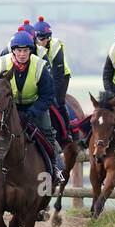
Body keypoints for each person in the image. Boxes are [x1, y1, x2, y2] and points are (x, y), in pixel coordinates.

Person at [0, 26, 65, 186]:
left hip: (34, 107)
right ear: (13, 51)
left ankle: (53, 170)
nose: (22, 54)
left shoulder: (40, 66)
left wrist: (32, 113)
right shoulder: (0, 64)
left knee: (48, 133)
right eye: (19, 51)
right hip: (7, 108)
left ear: (30, 51)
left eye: (25, 50)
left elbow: (48, 95)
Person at [31, 15, 78, 146]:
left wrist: (51, 93)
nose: (42, 41)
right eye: (39, 39)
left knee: (59, 101)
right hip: (45, 78)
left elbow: (58, 73)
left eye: (45, 38)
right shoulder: (32, 47)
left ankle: (68, 131)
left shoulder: (56, 45)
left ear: (49, 38)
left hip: (61, 76)